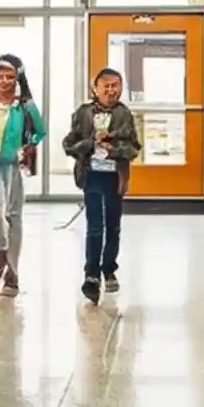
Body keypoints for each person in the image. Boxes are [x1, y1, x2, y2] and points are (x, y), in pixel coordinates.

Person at [0, 54, 46, 297]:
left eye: (10, 77)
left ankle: (12, 274)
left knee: (14, 215)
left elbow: (40, 132)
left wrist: (29, 144)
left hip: (15, 165)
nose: (5, 81)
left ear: (18, 78)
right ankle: (3, 248)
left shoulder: (26, 106)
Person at [63, 67, 141, 304]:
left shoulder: (124, 114)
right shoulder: (83, 113)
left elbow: (134, 148)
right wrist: (90, 143)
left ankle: (109, 267)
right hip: (91, 176)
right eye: (105, 85)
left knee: (113, 226)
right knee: (94, 226)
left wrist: (113, 150)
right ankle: (91, 275)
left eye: (115, 85)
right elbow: (69, 145)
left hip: (114, 177)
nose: (111, 90)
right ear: (94, 89)